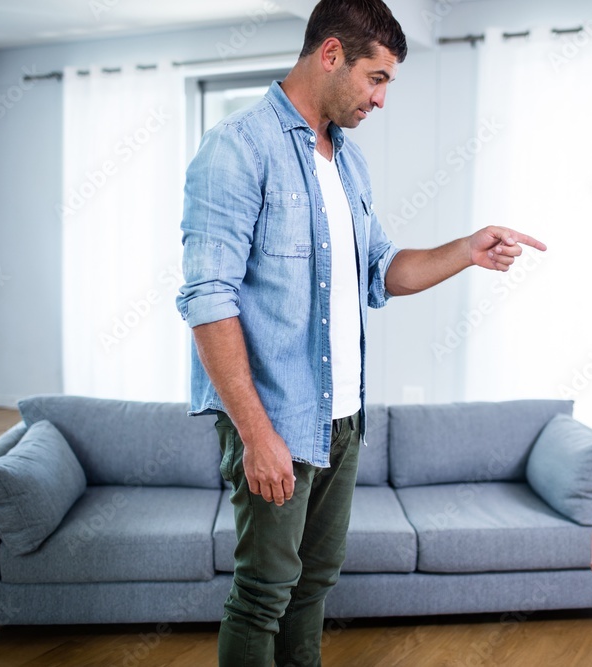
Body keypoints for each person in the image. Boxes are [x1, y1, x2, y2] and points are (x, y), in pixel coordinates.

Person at [174, 1, 546, 664]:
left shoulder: (348, 165)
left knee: (313, 583)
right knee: (263, 591)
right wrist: (258, 435)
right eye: (375, 79)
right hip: (277, 420)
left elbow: (383, 271)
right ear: (330, 54)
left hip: (343, 419)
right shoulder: (236, 147)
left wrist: (466, 248)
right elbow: (208, 300)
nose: (381, 99)